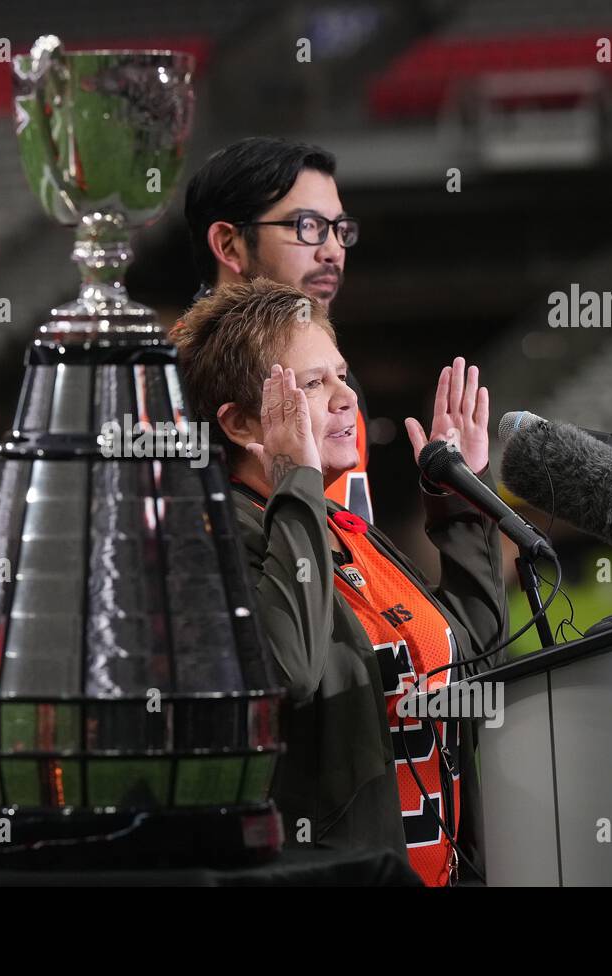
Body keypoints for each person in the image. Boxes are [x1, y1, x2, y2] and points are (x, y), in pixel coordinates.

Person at [172, 278, 507, 886]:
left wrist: (459, 505)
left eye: (342, 375)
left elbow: (473, 658)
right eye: (312, 384)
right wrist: (295, 480)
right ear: (244, 423)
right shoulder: (210, 539)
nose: (345, 396)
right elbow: (286, 672)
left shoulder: (344, 526)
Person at [183, 136, 374, 521]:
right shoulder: (168, 387)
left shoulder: (342, 383)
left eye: (339, 229)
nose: (333, 250)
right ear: (228, 244)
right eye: (308, 225)